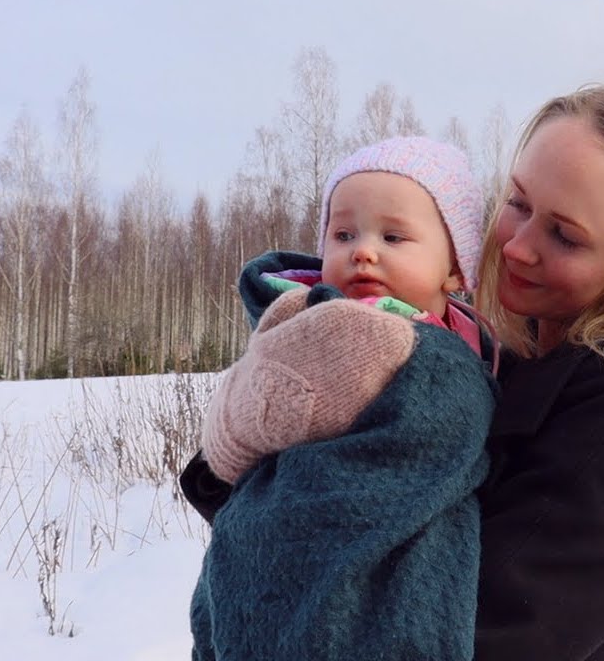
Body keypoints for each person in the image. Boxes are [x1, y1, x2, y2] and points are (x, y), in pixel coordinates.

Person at [182, 83, 604, 660]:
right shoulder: (492, 348)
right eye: (518, 203)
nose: (517, 246)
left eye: (565, 235)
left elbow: (507, 631)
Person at [186, 136, 498, 661]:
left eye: (394, 236)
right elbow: (241, 430)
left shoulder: (472, 338)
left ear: (455, 268)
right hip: (303, 556)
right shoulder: (325, 328)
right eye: (343, 233)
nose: (363, 250)